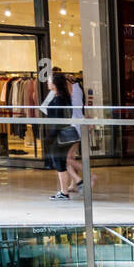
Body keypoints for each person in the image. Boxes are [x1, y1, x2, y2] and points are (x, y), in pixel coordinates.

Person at [40, 71, 77, 200]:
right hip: (61, 134)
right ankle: (64, 191)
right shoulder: (61, 97)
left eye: (49, 80)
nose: (47, 82)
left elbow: (57, 121)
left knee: (60, 164)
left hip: (59, 136)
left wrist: (50, 137)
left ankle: (64, 192)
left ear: (55, 84)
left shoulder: (59, 99)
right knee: (60, 163)